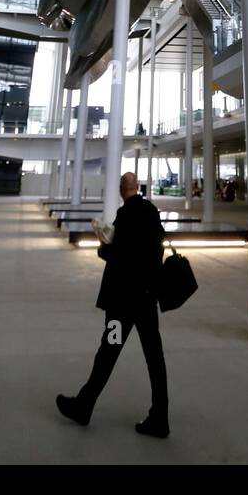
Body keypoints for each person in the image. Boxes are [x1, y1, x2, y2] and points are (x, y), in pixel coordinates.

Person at [56, 171, 169, 437]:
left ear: (121, 189)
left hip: (123, 301)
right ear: (138, 187)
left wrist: (102, 245)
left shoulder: (126, 215)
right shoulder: (152, 212)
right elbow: (155, 249)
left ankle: (83, 406)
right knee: (154, 356)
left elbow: (116, 254)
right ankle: (160, 417)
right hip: (146, 298)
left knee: (107, 352)